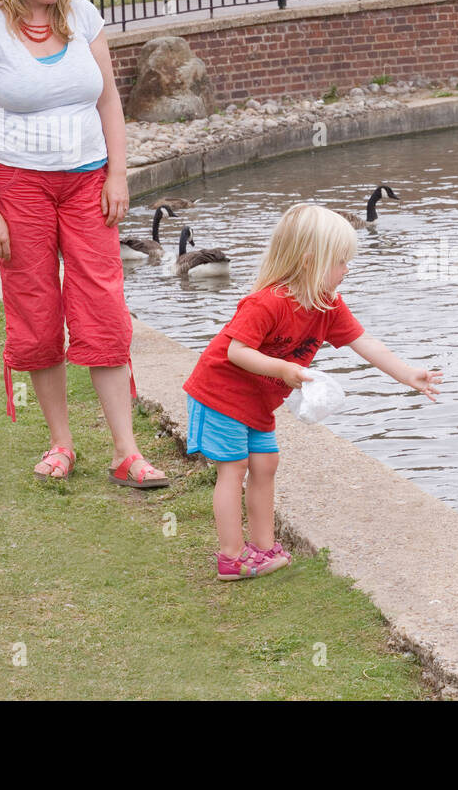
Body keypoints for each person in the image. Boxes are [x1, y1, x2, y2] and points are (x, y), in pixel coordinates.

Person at [0, 0, 168, 489]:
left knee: (102, 306)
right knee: (36, 308)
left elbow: (109, 104)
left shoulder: (83, 15)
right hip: (18, 185)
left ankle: (127, 453)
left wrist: (118, 175)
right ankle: (61, 444)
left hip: (87, 182)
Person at [182, 203, 442, 580]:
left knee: (266, 464)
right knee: (233, 468)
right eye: (340, 261)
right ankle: (232, 557)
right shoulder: (265, 303)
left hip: (258, 401)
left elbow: (365, 341)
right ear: (309, 262)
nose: (347, 269)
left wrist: (407, 374)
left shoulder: (327, 306)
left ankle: (263, 546)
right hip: (220, 393)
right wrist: (285, 369)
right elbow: (237, 352)